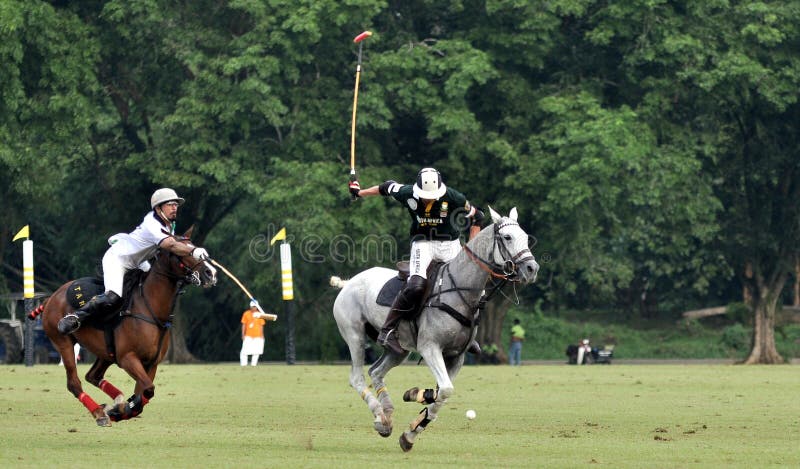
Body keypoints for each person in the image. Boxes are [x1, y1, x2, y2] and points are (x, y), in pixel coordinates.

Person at [350, 167, 484, 354]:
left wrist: (471, 251)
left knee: (472, 285)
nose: (428, 199)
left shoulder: (453, 197)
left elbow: (477, 216)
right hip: (423, 244)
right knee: (416, 285)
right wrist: (359, 192)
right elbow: (386, 187)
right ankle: (388, 331)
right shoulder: (408, 192)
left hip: (449, 244)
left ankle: (468, 335)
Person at [57, 188, 209, 335]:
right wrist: (193, 251)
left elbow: (167, 255)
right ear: (158, 208)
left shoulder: (170, 226)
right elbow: (170, 245)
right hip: (118, 259)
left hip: (138, 262)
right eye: (170, 204)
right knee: (113, 296)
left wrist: (188, 273)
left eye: (176, 204)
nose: (175, 208)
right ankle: (76, 317)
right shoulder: (152, 223)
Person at [240, 301, 267, 366]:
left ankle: (253, 364)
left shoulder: (260, 314)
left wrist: (262, 335)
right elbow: (244, 324)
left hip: (258, 336)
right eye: (252, 306)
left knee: (256, 351)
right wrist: (243, 334)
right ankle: (244, 364)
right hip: (248, 335)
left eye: (255, 306)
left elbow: (261, 325)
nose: (253, 308)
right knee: (244, 351)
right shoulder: (246, 314)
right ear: (250, 306)